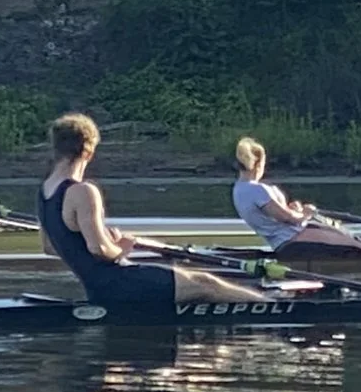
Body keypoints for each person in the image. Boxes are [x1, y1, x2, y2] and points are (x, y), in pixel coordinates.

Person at [40, 113, 273, 307]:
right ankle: (273, 306)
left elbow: (50, 247)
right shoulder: (83, 191)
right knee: (206, 284)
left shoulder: (44, 192)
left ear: (56, 148)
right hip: (120, 284)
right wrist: (121, 247)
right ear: (89, 151)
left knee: (194, 283)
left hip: (97, 288)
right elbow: (99, 249)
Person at [231, 137, 361, 252]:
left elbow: (277, 216)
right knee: (354, 244)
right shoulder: (257, 190)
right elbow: (287, 218)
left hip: (283, 240)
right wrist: (305, 213)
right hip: (292, 238)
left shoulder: (238, 190)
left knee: (352, 238)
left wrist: (295, 209)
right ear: (258, 164)